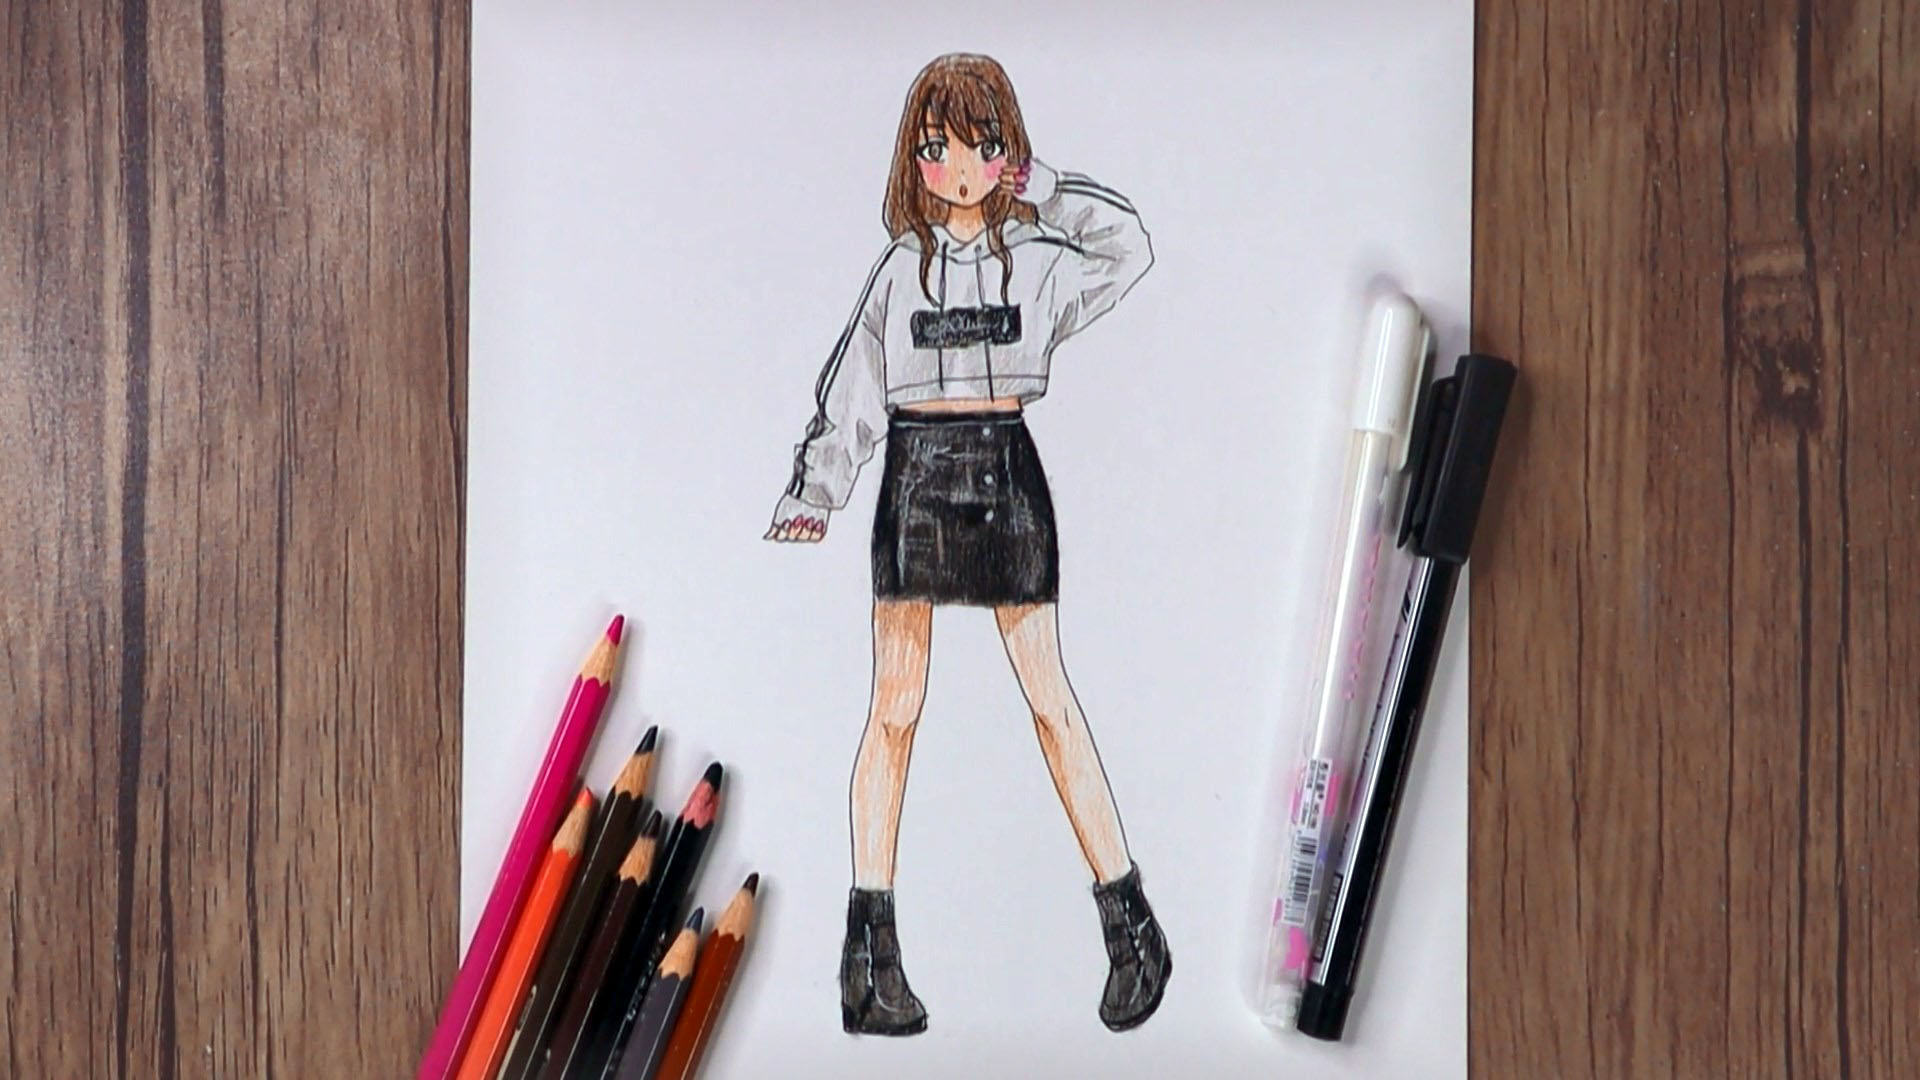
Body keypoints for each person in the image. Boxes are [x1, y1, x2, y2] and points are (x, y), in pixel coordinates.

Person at [765, 53, 1170, 1035]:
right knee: (894, 711)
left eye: (983, 146)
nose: (959, 167)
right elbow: (855, 389)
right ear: (913, 157)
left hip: (1006, 477)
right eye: (938, 146)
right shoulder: (897, 272)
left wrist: (1048, 189)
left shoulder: (1038, 259)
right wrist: (816, 488)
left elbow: (1130, 248)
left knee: (1051, 703)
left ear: (1007, 154)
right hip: (914, 479)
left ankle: (1132, 927)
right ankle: (869, 959)